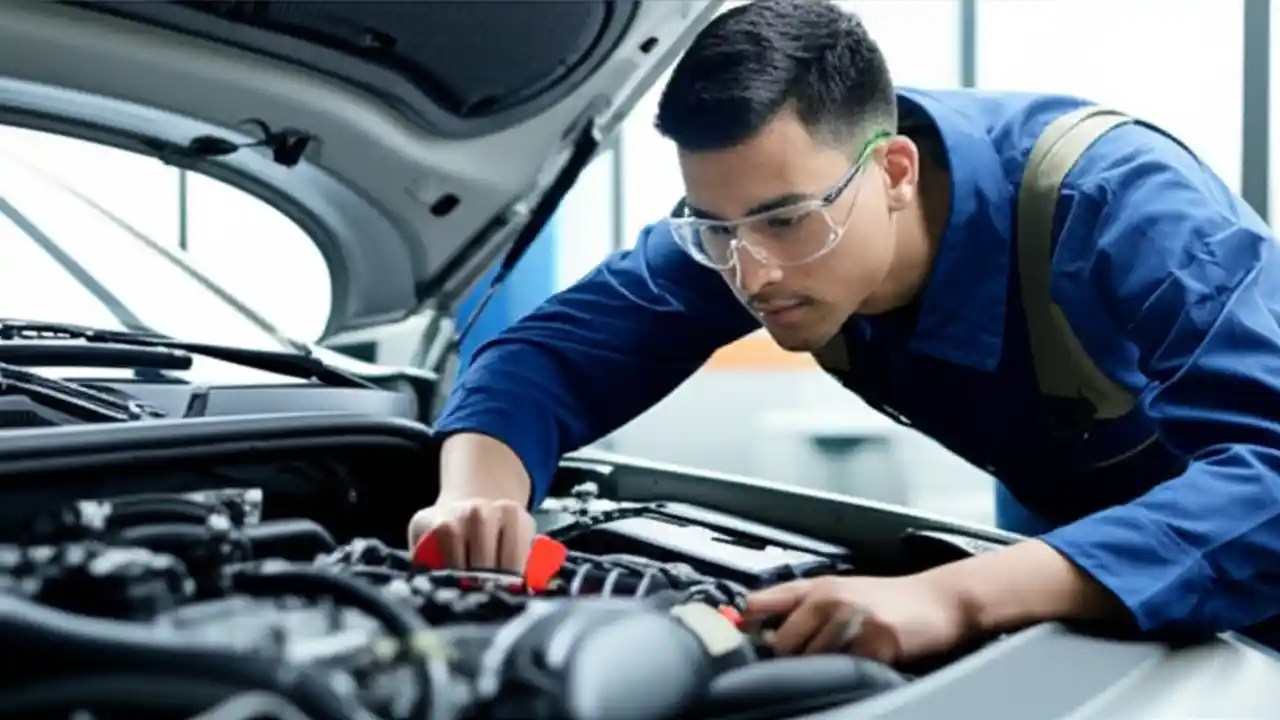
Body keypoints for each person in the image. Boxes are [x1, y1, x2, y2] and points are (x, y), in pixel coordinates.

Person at [408, 0, 1280, 664]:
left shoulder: (1122, 205)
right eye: (715, 227)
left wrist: (956, 599)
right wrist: (475, 496)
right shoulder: (754, 233)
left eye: (785, 220)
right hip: (1058, 567)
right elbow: (545, 355)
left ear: (893, 170)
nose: (749, 276)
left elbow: (1271, 478)